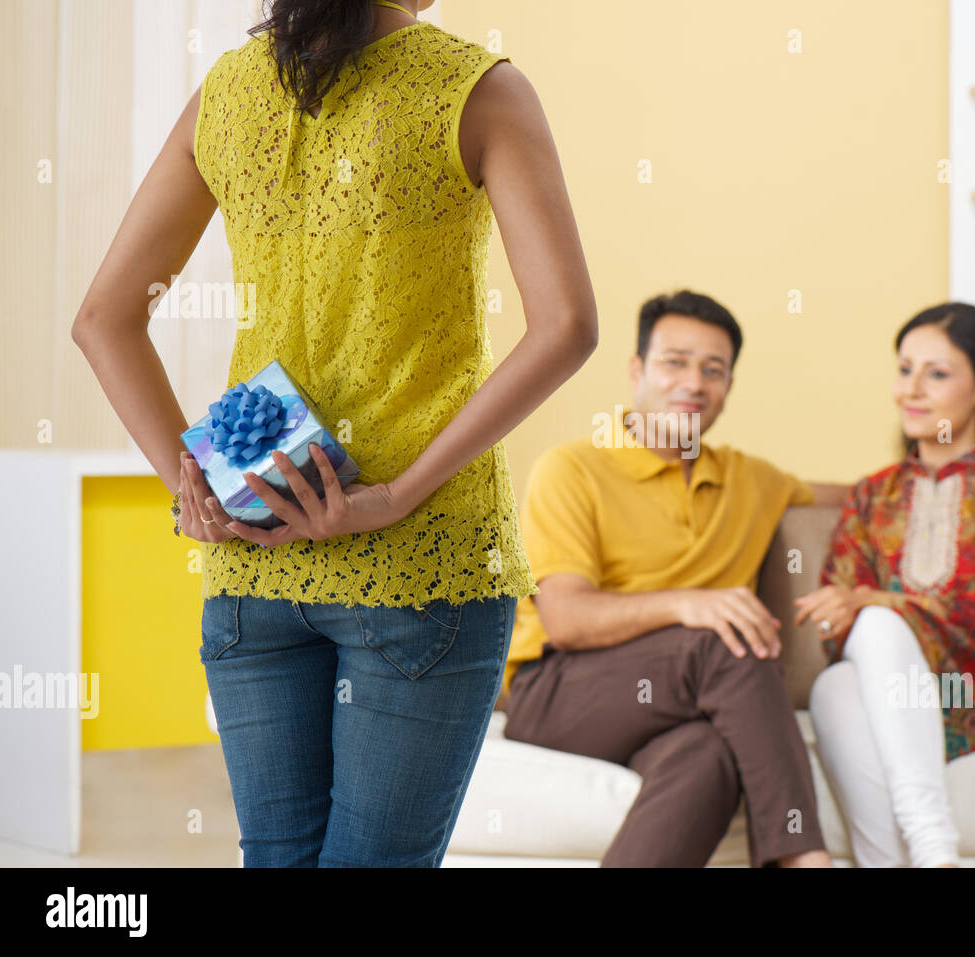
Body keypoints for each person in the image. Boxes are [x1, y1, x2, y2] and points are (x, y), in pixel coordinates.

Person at [70, 0, 597, 867]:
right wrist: (390, 496)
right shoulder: (480, 89)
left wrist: (189, 485)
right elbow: (568, 324)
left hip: (253, 552)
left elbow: (104, 318)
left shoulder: (226, 93)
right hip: (425, 565)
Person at [501, 289, 852, 868]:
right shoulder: (572, 469)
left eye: (714, 370)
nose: (695, 382)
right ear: (637, 370)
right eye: (675, 362)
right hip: (559, 694)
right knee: (729, 636)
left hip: (679, 706)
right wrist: (690, 604)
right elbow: (565, 619)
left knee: (709, 757)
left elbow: (868, 495)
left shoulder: (751, 479)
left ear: (729, 389)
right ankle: (806, 861)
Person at [800, 302, 975, 868]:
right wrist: (869, 612)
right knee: (833, 687)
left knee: (879, 619)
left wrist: (880, 603)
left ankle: (934, 849)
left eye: (937, 373)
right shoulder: (871, 494)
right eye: (904, 370)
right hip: (908, 692)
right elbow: (839, 627)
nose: (912, 389)